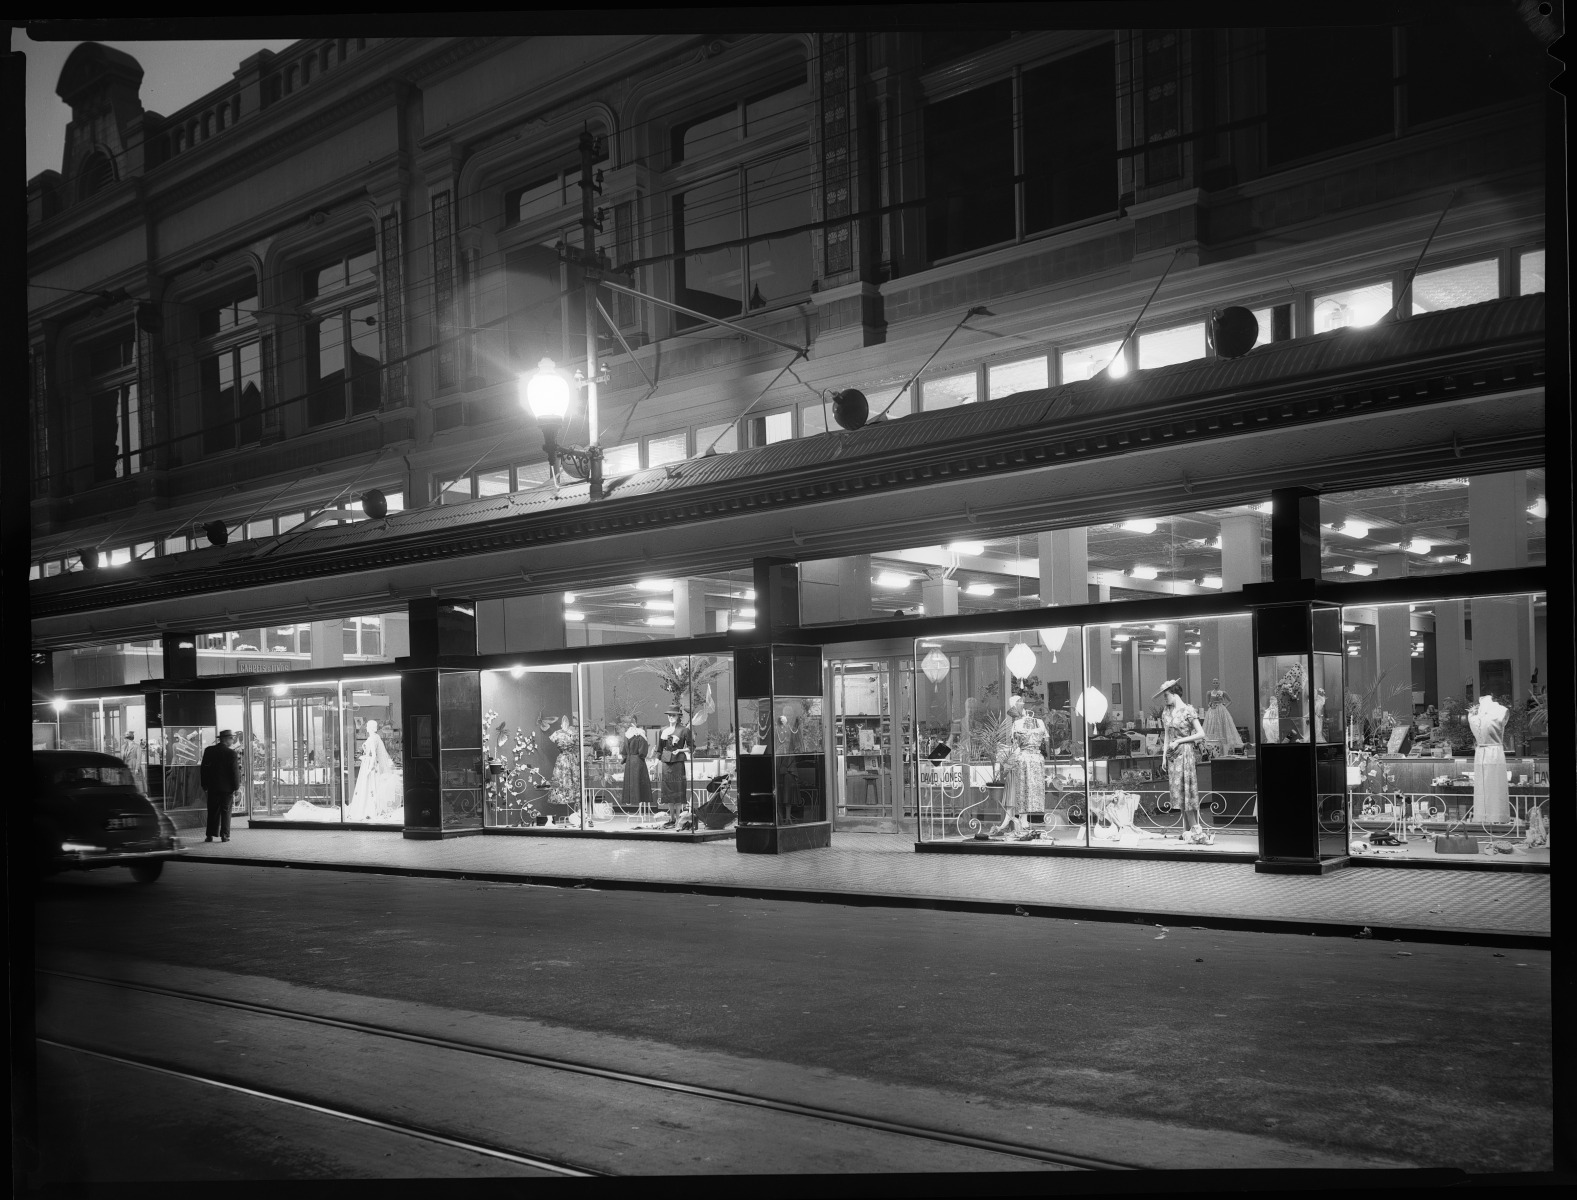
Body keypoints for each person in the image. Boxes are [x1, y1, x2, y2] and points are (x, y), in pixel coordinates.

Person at [1157, 680, 1212, 845]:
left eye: (1166, 695)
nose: (1164, 699)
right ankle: (1187, 831)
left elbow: (1201, 733)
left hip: (1186, 752)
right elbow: (1166, 735)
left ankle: (1194, 829)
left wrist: (1180, 741)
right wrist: (1163, 756)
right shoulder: (1166, 713)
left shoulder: (1188, 710)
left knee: (1187, 790)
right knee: (1179, 791)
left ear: (1174, 693)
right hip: (1173, 755)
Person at [991, 694, 1048, 839]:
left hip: (1024, 760)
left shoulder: (1024, 722)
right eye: (1017, 702)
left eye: (1020, 701)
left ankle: (1020, 821)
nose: (1020, 704)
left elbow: (1015, 744)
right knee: (1024, 791)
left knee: (1025, 790)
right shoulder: (1024, 722)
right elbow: (1016, 745)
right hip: (1029, 760)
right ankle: (1020, 821)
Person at [199, 729, 241, 843]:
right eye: (231, 738)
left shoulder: (209, 751)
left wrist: (204, 785)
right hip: (227, 789)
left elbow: (203, 769)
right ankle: (225, 835)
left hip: (212, 787)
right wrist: (236, 787)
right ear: (226, 739)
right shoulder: (231, 753)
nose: (233, 740)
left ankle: (210, 835)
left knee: (212, 810)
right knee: (226, 811)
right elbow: (234, 772)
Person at [1202, 679, 1243, 757]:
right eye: (1214, 683)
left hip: (1221, 710)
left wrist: (1224, 706)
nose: (1215, 684)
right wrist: (1210, 705)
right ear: (1212, 684)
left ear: (1219, 683)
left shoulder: (1223, 692)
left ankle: (1225, 748)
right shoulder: (1209, 693)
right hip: (1212, 711)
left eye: (1216, 683)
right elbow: (1207, 703)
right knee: (1211, 726)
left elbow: (1230, 701)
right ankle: (1212, 749)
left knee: (1223, 726)